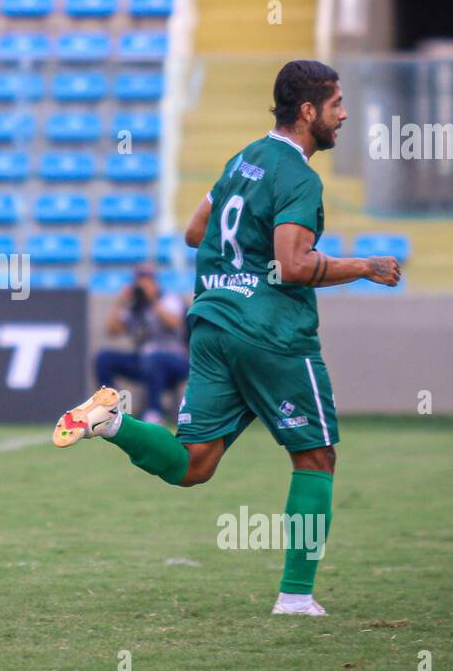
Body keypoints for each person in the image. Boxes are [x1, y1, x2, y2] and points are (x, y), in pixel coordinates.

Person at [52, 60, 400, 616]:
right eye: (337, 105)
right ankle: (294, 597)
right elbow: (292, 264)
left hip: (212, 323)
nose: (344, 114)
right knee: (316, 459)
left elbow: (196, 232)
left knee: (195, 464)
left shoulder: (241, 160)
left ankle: (112, 421)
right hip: (271, 333)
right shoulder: (299, 177)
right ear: (309, 112)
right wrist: (362, 266)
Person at [93, 266, 187, 423]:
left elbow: (174, 323)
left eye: (146, 281)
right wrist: (120, 303)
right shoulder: (135, 305)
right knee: (103, 359)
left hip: (175, 359)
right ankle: (112, 410)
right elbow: (112, 331)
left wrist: (152, 300)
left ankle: (154, 413)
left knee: (155, 359)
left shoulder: (169, 299)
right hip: (144, 359)